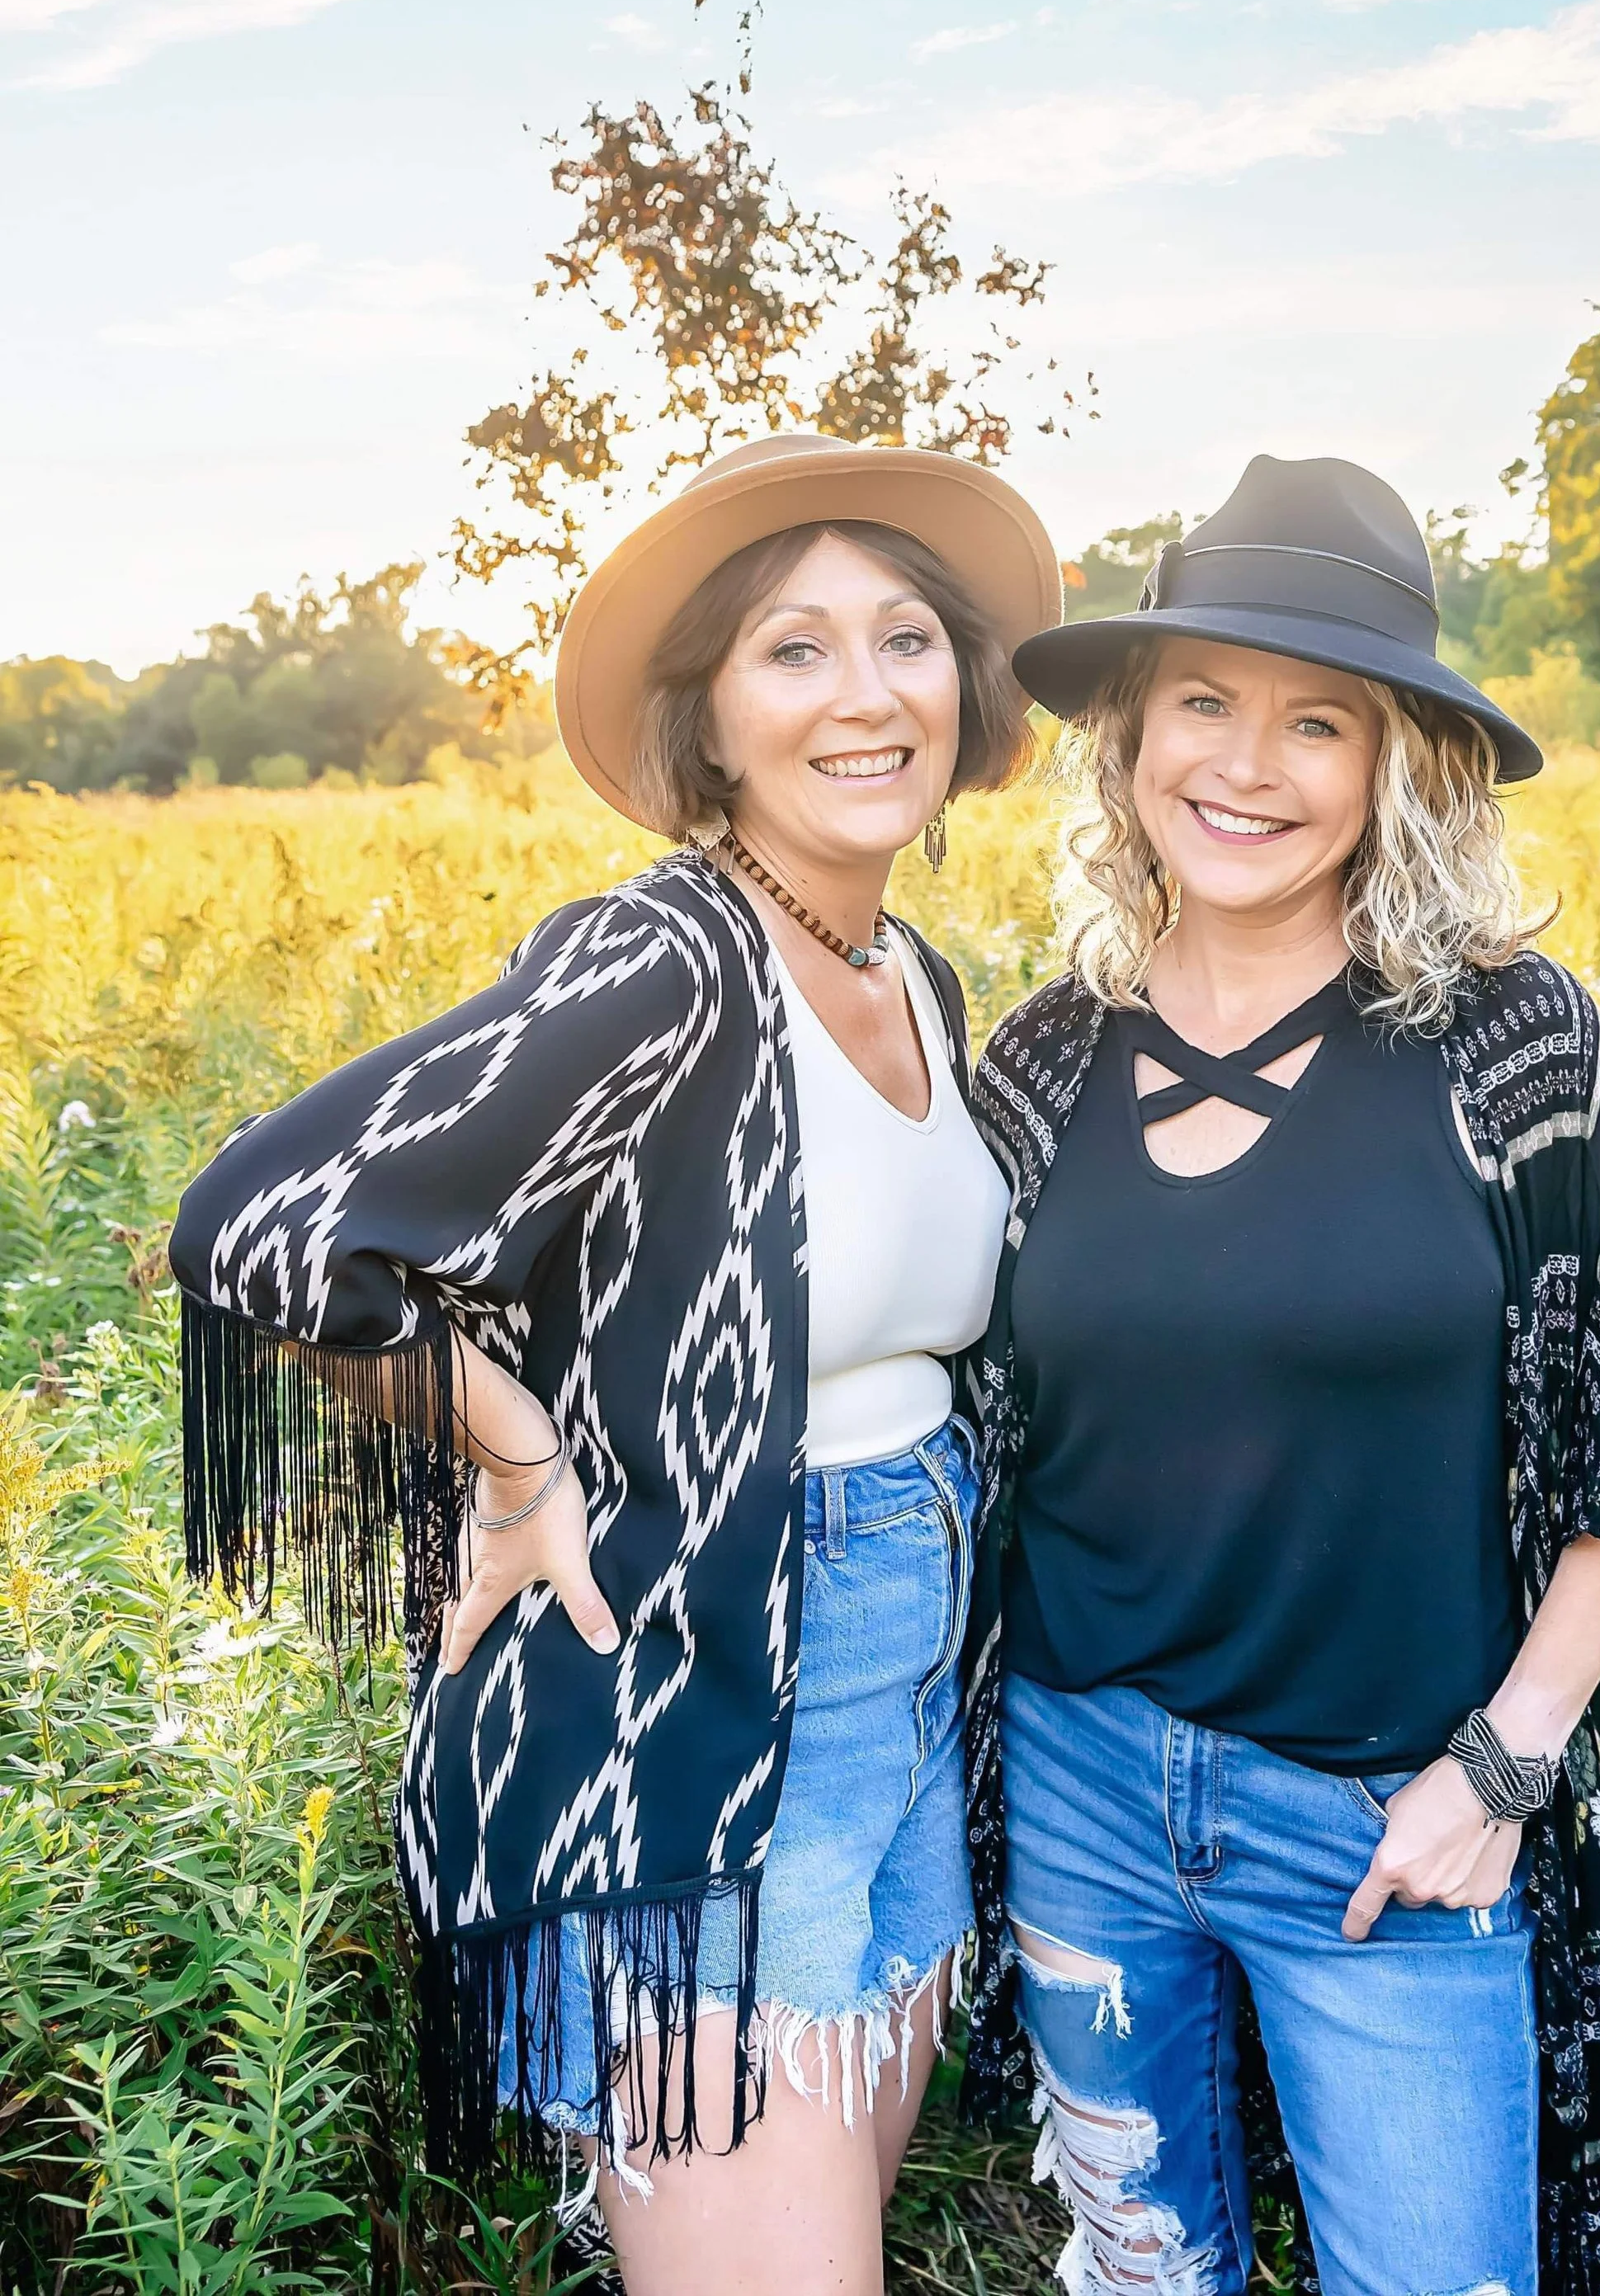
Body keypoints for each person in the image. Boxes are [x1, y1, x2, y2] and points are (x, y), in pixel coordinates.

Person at [169, 431, 1060, 2296]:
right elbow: (269, 1219)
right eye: (793, 651)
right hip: (712, 1699)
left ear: (960, 693)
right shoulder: (662, 963)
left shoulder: (914, 972)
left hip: (908, 1665)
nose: (865, 693)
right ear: (711, 719)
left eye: (904, 640)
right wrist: (512, 1451)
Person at [959, 454, 1600, 2296]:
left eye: (1317, 722)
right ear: (1128, 742)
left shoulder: (1514, 1051)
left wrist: (1506, 1759)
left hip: (1396, 1820)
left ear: (1399, 769)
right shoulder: (1040, 1064)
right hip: (1082, 1790)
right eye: (1202, 703)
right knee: (1148, 2270)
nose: (1244, 764)